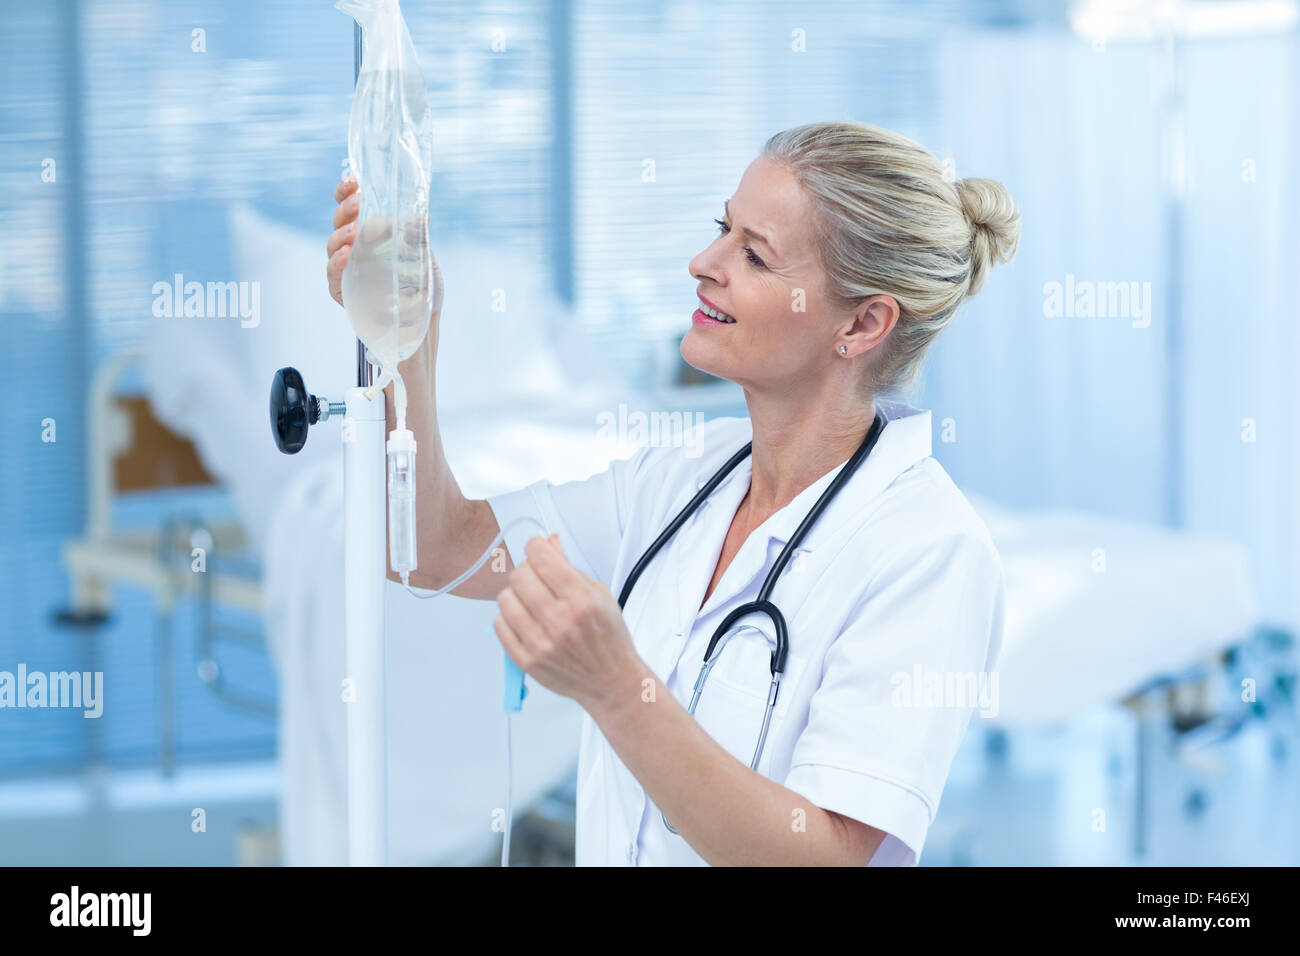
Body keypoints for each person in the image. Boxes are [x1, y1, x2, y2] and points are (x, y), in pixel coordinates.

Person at [325, 120, 1020, 866]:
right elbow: (433, 550)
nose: (702, 263)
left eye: (753, 254)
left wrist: (619, 689)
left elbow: (829, 856)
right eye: (722, 228)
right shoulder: (684, 477)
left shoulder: (927, 551)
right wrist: (407, 339)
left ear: (863, 322)